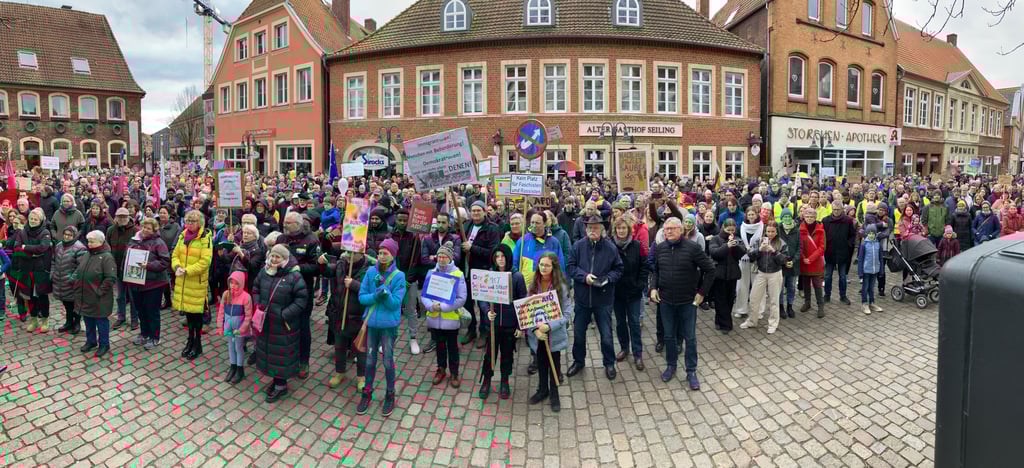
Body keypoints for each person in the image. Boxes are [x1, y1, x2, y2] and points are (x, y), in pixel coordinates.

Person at [649, 217, 716, 388]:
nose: (669, 231)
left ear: (680, 230)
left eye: (672, 228)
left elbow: (710, 270)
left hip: (687, 302)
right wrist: (653, 288)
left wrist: (702, 293)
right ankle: (671, 366)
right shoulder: (660, 248)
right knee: (669, 336)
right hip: (666, 301)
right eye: (666, 229)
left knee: (690, 337)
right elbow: (656, 271)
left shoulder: (692, 248)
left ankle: (691, 371)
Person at [566, 215, 624, 381]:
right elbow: (570, 266)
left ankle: (609, 363)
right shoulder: (578, 246)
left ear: (602, 229)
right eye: (590, 227)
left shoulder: (610, 248)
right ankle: (578, 361)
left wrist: (608, 279)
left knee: (606, 335)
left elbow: (619, 269)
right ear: (586, 229)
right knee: (578, 334)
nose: (592, 230)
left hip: (603, 300)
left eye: (596, 227)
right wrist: (584, 277)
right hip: (582, 299)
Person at [251, 244, 309, 403]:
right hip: (266, 322)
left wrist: (284, 314)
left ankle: (281, 385)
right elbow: (255, 288)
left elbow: (301, 299)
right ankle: (276, 380)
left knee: (281, 354)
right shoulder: (264, 271)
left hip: (283, 325)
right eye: (273, 256)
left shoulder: (294, 276)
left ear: (285, 258)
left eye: (278, 257)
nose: (274, 259)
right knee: (270, 352)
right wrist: (258, 304)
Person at [356, 238, 406, 417]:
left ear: (393, 255)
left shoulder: (399, 276)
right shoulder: (371, 272)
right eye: (380, 253)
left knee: (387, 361)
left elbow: (395, 304)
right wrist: (376, 297)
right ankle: (367, 392)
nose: (382, 256)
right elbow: (362, 297)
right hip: (372, 324)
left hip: (388, 326)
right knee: (370, 360)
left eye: (386, 253)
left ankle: (390, 394)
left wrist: (383, 290)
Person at [479, 244, 527, 400]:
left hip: (509, 324)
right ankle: (486, 380)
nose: (500, 259)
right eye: (497, 256)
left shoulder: (517, 277)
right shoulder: (489, 275)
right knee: (489, 354)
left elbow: (523, 302)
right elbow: (482, 297)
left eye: (502, 256)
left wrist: (520, 326)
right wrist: (487, 311)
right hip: (493, 324)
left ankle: (504, 381)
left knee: (507, 355)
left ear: (508, 257)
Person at [319, 248, 371, 391]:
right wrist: (322, 265)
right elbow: (328, 272)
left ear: (361, 253)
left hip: (359, 316)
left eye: (352, 253)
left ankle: (361, 377)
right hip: (340, 314)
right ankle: (340, 372)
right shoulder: (341, 264)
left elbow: (371, 291)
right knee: (339, 346)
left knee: (360, 348)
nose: (348, 255)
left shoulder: (369, 269)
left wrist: (354, 285)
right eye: (347, 252)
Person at [527, 252, 572, 412]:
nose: (543, 268)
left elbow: (567, 313)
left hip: (554, 335)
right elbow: (527, 311)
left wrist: (550, 326)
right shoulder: (533, 286)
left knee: (554, 364)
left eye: (547, 265)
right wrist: (535, 330)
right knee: (541, 362)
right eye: (541, 264)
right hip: (538, 335)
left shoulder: (562, 287)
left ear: (554, 267)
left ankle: (554, 393)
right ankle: (542, 389)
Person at [278, 212, 320, 378]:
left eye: (288, 223)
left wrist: (299, 268)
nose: (285, 225)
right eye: (284, 222)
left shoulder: (311, 240)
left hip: (302, 291)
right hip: (283, 289)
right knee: (284, 325)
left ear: (298, 224)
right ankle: (287, 358)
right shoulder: (281, 238)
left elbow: (317, 267)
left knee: (302, 327)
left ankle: (303, 362)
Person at [421, 242, 467, 388]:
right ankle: (441, 369)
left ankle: (454, 372)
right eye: (439, 256)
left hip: (450, 320)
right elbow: (424, 295)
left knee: (452, 348)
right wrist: (430, 306)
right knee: (440, 346)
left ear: (450, 258)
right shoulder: (431, 273)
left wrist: (444, 307)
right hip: (435, 319)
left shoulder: (458, 274)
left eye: (444, 257)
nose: (441, 259)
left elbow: (461, 298)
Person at [172, 210, 213, 360]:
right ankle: (190, 340)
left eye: (193, 221)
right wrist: (177, 266)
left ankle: (197, 342)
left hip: (196, 282)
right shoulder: (182, 236)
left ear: (200, 223)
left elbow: (205, 262)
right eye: (188, 221)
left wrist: (187, 270)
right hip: (183, 281)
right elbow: (175, 255)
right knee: (189, 315)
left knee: (197, 316)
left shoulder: (205, 238)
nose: (190, 224)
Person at [611, 216, 649, 370]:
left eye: (624, 228)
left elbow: (645, 266)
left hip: (634, 292)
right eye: (618, 228)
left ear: (628, 229)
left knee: (634, 323)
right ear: (615, 230)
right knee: (620, 323)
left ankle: (638, 353)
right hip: (617, 293)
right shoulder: (610, 246)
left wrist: (640, 284)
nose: (621, 231)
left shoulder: (637, 245)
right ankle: (624, 348)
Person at [127, 218, 171, 349]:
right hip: (136, 281)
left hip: (153, 283)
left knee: (152, 311)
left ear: (154, 230)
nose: (145, 230)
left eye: (148, 228)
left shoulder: (158, 242)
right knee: (141, 310)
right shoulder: (135, 240)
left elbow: (165, 261)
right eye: (144, 227)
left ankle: (155, 337)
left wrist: (149, 265)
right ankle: (144, 333)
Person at [73, 230, 118, 358]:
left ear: (101, 242)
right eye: (88, 241)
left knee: (101, 321)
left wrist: (99, 291)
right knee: (88, 319)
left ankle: (104, 344)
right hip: (85, 294)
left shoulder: (107, 257)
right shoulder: (88, 254)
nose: (89, 244)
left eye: (92, 241)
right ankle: (91, 341)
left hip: (99, 297)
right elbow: (80, 270)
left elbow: (110, 278)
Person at [461, 201, 499, 348]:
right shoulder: (466, 225)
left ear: (484, 212)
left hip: (482, 271)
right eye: (473, 210)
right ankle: (471, 329)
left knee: (483, 304)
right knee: (467, 302)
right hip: (466, 270)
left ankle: (484, 332)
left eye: (478, 210)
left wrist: (472, 248)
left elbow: (493, 252)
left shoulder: (492, 228)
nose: (475, 213)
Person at [742, 223, 789, 334]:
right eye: (768, 231)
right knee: (754, 298)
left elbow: (784, 260)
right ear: (765, 232)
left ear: (776, 232)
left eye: (773, 231)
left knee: (774, 300)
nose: (770, 234)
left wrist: (774, 251)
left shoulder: (782, 243)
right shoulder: (759, 241)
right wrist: (759, 249)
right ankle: (752, 321)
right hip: (761, 273)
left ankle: (773, 324)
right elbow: (751, 256)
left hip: (775, 274)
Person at [13, 208, 53, 333]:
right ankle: (33, 319)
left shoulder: (45, 232)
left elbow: (42, 248)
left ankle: (45, 320)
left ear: (40, 220)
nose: (33, 221)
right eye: (31, 218)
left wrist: (26, 247)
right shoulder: (22, 232)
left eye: (36, 219)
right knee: (29, 297)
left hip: (40, 269)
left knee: (42, 296)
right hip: (26, 268)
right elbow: (17, 248)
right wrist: (32, 254)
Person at [708, 219, 745, 334]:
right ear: (723, 228)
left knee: (729, 299)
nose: (730, 232)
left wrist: (735, 246)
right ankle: (726, 325)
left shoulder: (737, 239)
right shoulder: (716, 239)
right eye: (728, 230)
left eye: (732, 230)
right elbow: (714, 253)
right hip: (719, 274)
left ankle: (719, 320)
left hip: (732, 274)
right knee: (720, 299)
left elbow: (742, 252)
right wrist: (726, 246)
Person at [107, 207, 139, 330]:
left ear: (128, 217)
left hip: (131, 269)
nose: (122, 219)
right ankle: (121, 317)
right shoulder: (111, 230)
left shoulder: (135, 231)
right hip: (117, 267)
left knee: (133, 296)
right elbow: (107, 247)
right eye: (119, 216)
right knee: (120, 296)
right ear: (116, 217)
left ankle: (135, 319)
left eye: (124, 216)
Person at [219, 271, 252, 384]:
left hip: (239, 329)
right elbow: (221, 311)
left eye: (236, 283)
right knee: (230, 346)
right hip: (229, 327)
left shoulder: (246, 297)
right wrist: (220, 326)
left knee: (238, 347)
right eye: (231, 283)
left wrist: (241, 329)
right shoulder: (226, 294)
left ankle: (240, 369)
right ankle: (233, 367)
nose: (233, 285)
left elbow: (248, 316)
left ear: (241, 284)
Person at [52, 226, 86, 335]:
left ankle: (77, 323)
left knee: (75, 304)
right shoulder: (59, 245)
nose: (67, 237)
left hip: (72, 282)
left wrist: (72, 278)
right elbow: (53, 260)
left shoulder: (80, 247)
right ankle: (69, 322)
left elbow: (81, 266)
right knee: (67, 303)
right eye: (65, 234)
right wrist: (53, 273)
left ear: (74, 236)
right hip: (60, 280)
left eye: (70, 235)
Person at [822, 200, 856, 305]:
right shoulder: (825, 220)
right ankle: (827, 295)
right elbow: (822, 236)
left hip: (843, 252)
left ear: (842, 209)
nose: (836, 211)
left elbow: (852, 235)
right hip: (829, 252)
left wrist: (848, 244)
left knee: (842, 276)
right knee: (827, 276)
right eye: (834, 209)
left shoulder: (848, 220)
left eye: (838, 209)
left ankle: (843, 296)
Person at [732, 206, 763, 319]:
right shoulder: (742, 227)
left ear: (757, 214)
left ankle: (758, 311)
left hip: (757, 259)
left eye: (753, 214)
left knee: (758, 286)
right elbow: (737, 239)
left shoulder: (762, 226)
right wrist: (744, 248)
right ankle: (741, 309)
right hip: (743, 258)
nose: (751, 216)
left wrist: (755, 252)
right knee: (741, 285)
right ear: (746, 215)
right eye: (749, 214)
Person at [799, 207, 827, 318]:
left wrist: (810, 259)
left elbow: (822, 247)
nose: (809, 218)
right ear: (804, 217)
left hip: (815, 262)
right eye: (807, 216)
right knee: (806, 283)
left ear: (815, 217)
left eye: (811, 217)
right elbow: (798, 246)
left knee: (817, 285)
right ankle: (807, 302)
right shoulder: (800, 230)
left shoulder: (821, 230)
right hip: (804, 262)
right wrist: (803, 258)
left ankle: (820, 306)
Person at [857, 224, 884, 315]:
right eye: (869, 233)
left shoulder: (878, 244)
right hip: (866, 271)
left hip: (875, 270)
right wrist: (860, 272)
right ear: (867, 234)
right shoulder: (864, 245)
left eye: (873, 233)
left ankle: (872, 303)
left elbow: (881, 258)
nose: (871, 235)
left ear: (875, 234)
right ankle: (864, 303)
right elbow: (860, 259)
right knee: (865, 288)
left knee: (871, 288)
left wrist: (881, 270)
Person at [158, 207, 181, 309]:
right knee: (163, 281)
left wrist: (171, 253)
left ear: (169, 214)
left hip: (172, 256)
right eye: (160, 212)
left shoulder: (175, 226)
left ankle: (179, 302)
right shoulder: (156, 225)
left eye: (164, 213)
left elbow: (177, 241)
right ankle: (168, 301)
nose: (162, 215)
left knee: (176, 281)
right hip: (160, 257)